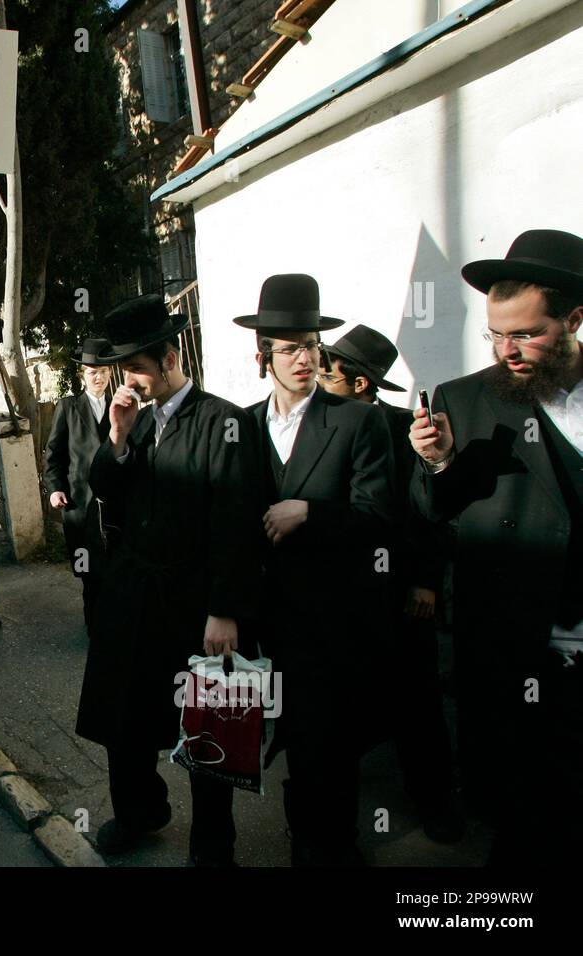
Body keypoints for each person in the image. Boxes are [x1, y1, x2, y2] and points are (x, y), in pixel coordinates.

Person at [409, 228, 583, 865]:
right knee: (521, 820)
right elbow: (430, 513)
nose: (507, 350)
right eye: (496, 335)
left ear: (574, 319)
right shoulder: (464, 401)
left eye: (527, 334)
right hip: (516, 648)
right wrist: (439, 462)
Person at [74, 296, 264, 864]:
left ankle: (213, 845)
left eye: (136, 370)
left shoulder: (223, 421)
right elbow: (103, 488)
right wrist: (117, 435)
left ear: (171, 356)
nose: (127, 383)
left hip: (198, 602)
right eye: (120, 372)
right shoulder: (131, 419)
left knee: (212, 725)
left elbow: (237, 521)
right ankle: (139, 814)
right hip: (133, 594)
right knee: (125, 725)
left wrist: (225, 608)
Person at [237, 274, 394, 866]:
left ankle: (332, 841)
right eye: (289, 347)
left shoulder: (356, 423)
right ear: (263, 358)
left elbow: (379, 518)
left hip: (332, 620)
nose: (305, 358)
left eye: (311, 344)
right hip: (262, 618)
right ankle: (304, 832)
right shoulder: (242, 427)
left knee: (329, 740)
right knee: (280, 733)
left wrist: (311, 512)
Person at [321, 323, 462, 843]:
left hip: (403, 595)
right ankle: (336, 820)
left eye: (328, 372)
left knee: (418, 704)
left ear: (361, 385)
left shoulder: (407, 430)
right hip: (344, 599)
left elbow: (430, 514)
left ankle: (436, 802)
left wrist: (425, 582)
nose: (317, 378)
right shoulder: (320, 427)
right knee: (344, 708)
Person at [44, 339, 113, 630]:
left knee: (116, 568)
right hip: (80, 504)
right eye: (91, 372)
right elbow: (54, 455)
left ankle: (118, 623)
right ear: (81, 376)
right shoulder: (69, 408)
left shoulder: (124, 406)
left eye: (104, 371)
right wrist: (55, 487)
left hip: (115, 506)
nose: (98, 377)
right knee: (89, 573)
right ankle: (95, 625)